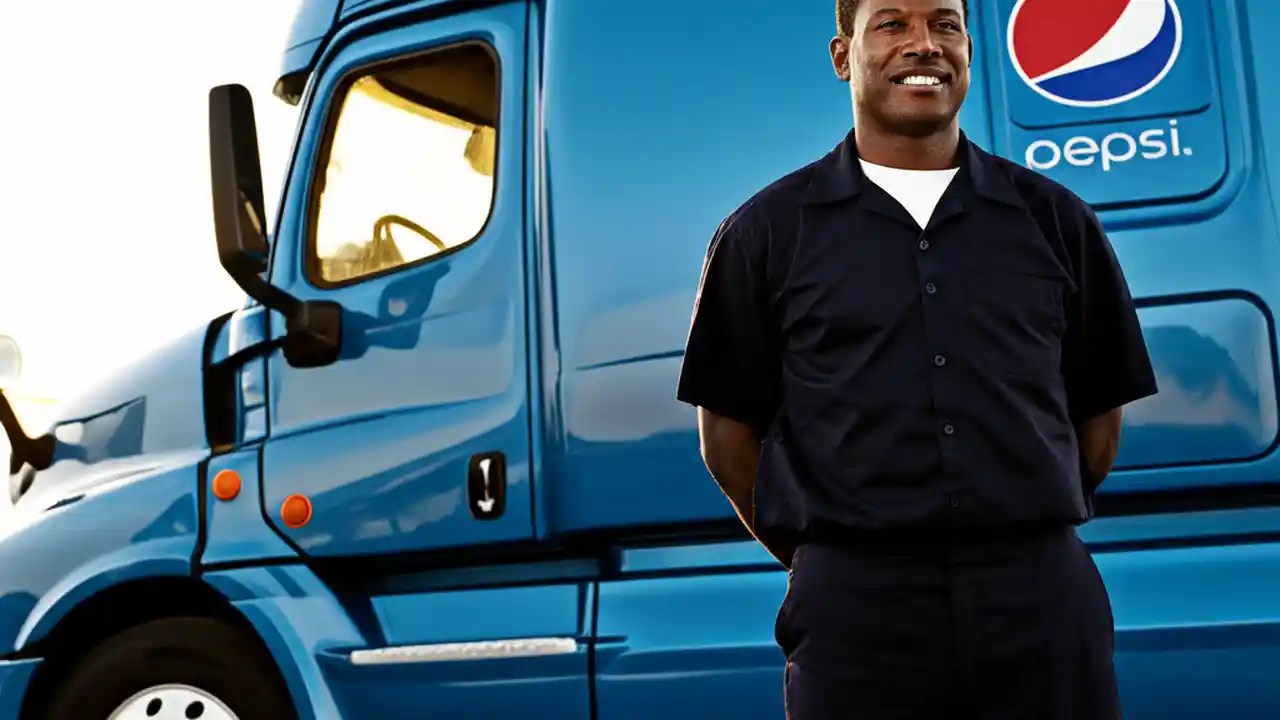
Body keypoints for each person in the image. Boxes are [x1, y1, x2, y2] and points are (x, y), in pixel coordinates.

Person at [674, 0, 1159, 717]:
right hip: (856, 618)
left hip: (1040, 603)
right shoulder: (763, 235)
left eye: (945, 24)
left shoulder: (1056, 220)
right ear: (844, 57)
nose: (923, 45)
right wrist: (829, 556)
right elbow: (727, 438)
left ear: (969, 50)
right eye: (893, 24)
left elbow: (1098, 423)